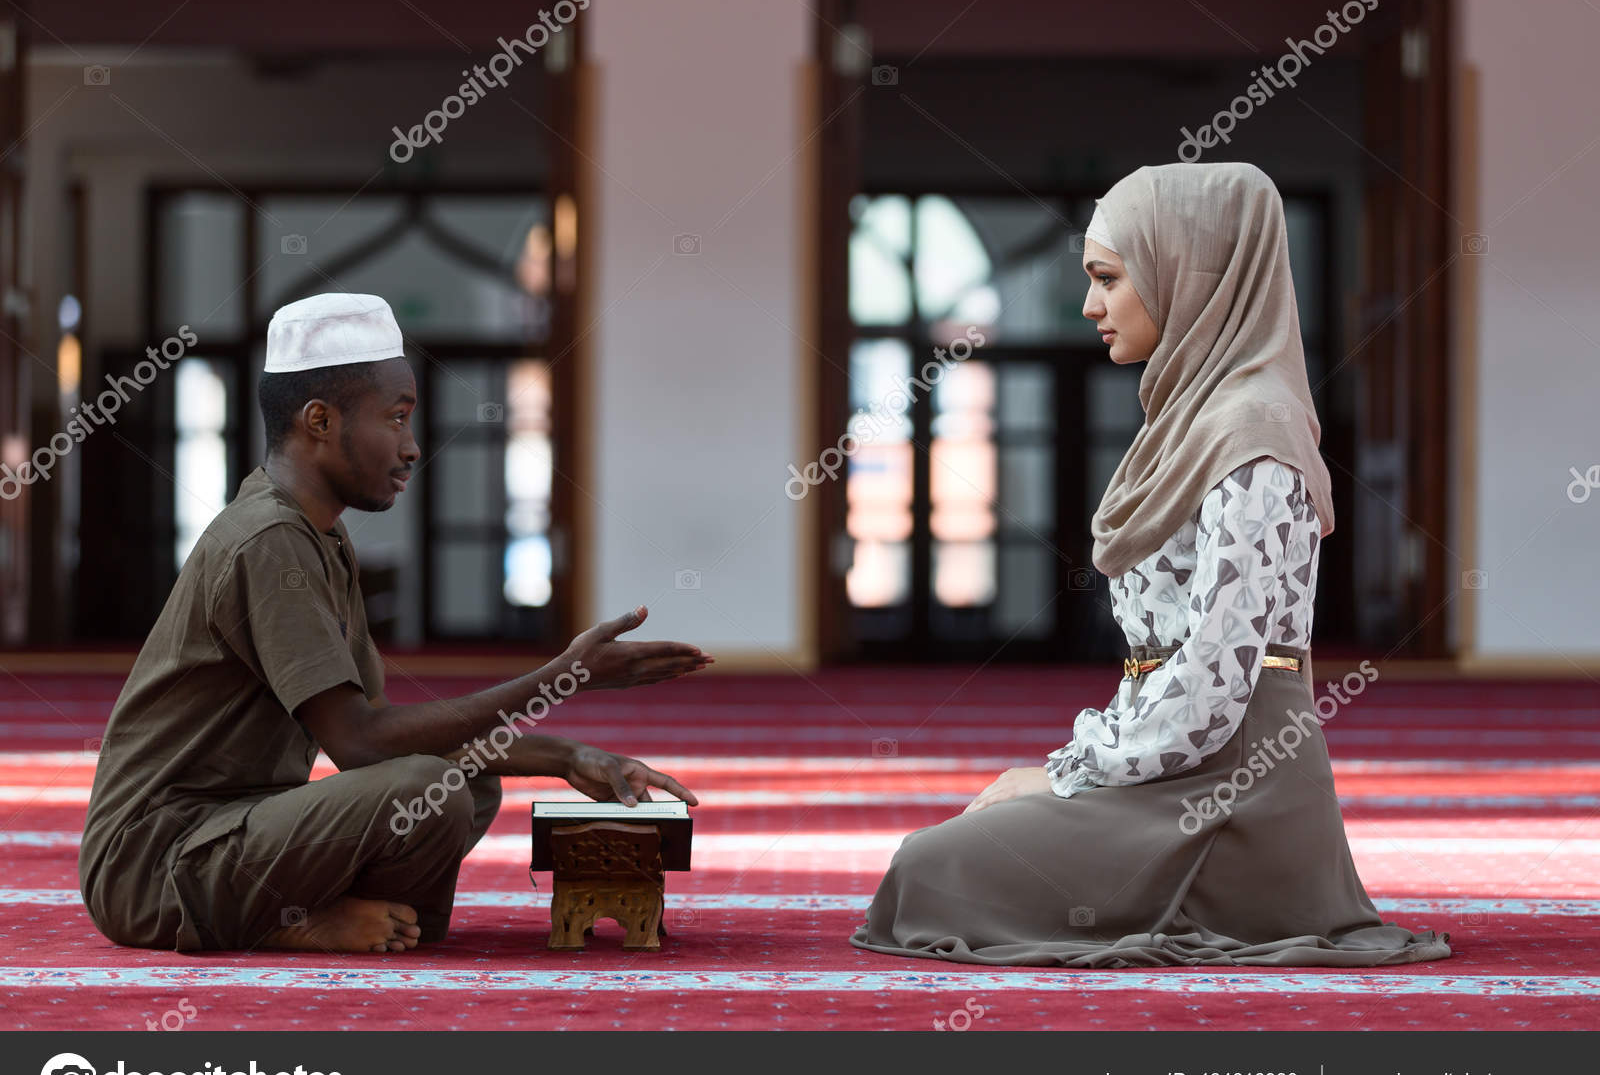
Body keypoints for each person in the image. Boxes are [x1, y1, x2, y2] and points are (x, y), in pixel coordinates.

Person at [850, 162, 1452, 968]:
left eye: (1107, 278)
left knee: (934, 869)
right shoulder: (1190, 424)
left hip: (1235, 790)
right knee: (941, 862)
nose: (1092, 306)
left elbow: (1212, 683)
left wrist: (1063, 776)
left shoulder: (1254, 440)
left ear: (1185, 275)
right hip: (1172, 771)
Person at [79, 292, 713, 955]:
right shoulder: (268, 540)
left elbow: (378, 722)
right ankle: (291, 921)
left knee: (465, 778)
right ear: (319, 420)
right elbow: (359, 742)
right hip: (153, 868)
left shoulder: (319, 534)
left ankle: (340, 913)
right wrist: (565, 675)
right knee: (427, 786)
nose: (412, 448)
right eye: (397, 419)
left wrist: (565, 755)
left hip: (229, 834)